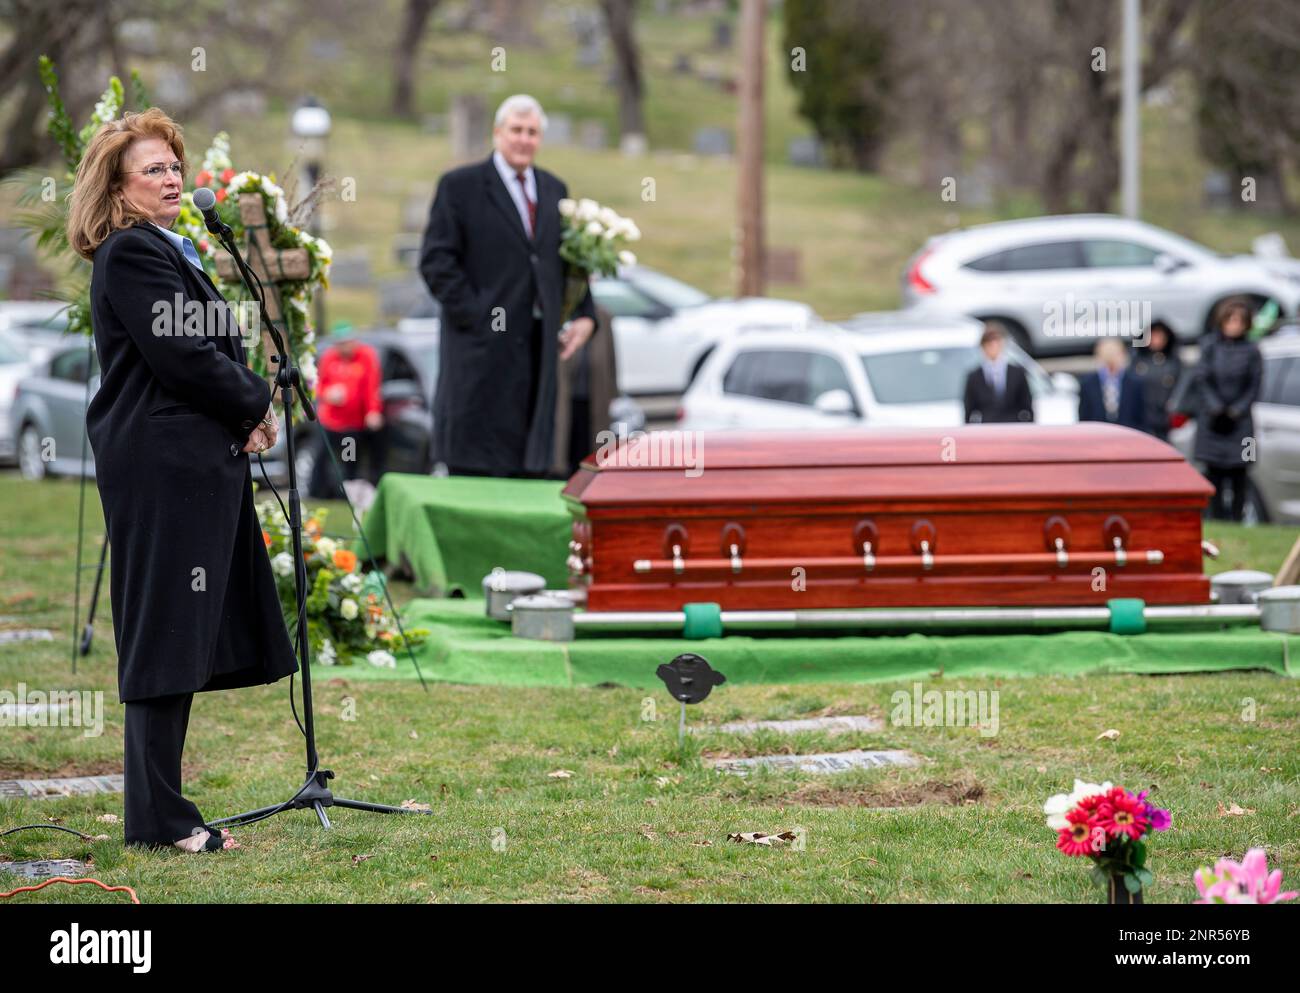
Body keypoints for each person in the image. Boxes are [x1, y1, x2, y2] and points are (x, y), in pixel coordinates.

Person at [68, 109, 297, 853]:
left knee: (178, 631)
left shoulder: (167, 247)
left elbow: (203, 347)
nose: (172, 178)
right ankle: (161, 821)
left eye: (174, 165)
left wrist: (246, 412)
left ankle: (161, 814)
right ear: (119, 187)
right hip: (161, 466)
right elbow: (182, 356)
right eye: (153, 169)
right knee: (163, 634)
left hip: (194, 458)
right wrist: (256, 401)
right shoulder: (132, 253)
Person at [419, 93, 597, 477]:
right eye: (516, 130)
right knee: (478, 469)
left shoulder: (554, 190)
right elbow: (436, 262)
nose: (523, 139)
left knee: (530, 465)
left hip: (536, 352)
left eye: (532, 132)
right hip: (480, 355)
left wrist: (585, 315)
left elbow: (571, 262)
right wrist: (478, 314)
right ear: (498, 133)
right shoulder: (460, 187)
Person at [1192, 298, 1263, 521]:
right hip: (1212, 423)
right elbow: (1201, 379)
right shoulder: (1209, 347)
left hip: (1242, 424)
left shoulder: (1253, 350)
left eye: (1239, 321)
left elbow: (1255, 386)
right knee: (1213, 474)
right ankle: (1216, 519)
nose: (1234, 325)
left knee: (1242, 472)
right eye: (1230, 320)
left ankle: (1238, 518)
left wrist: (1236, 410)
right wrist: (1216, 407)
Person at [308, 335, 385, 498]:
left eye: (347, 343)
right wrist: (328, 394)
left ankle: (345, 494)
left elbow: (372, 387)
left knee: (349, 459)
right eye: (340, 344)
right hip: (329, 423)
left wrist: (373, 410)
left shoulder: (365, 357)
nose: (344, 348)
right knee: (322, 459)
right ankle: (316, 493)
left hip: (351, 425)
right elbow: (318, 385)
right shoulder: (329, 357)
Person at [552, 303, 620, 478]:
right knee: (564, 441)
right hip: (565, 397)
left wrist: (613, 393)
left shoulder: (602, 316)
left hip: (592, 396)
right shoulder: (559, 312)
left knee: (591, 443)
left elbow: (611, 359)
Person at [962, 323, 1034, 423]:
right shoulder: (974, 377)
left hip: (1013, 427)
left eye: (997, 342)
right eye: (989, 343)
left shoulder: (1017, 373)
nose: (993, 347)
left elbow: (1027, 407)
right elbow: (968, 411)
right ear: (983, 347)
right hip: (987, 429)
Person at [1077, 338, 1147, 431]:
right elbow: (1084, 416)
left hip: (1128, 435)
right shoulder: (1088, 383)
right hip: (1097, 434)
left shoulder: (1134, 382)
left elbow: (1140, 415)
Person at [1131, 319, 1183, 440]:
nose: (1156, 340)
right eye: (1153, 336)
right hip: (1142, 417)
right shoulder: (1137, 361)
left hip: (1165, 418)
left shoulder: (1173, 362)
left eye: (1160, 336)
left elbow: (1181, 387)